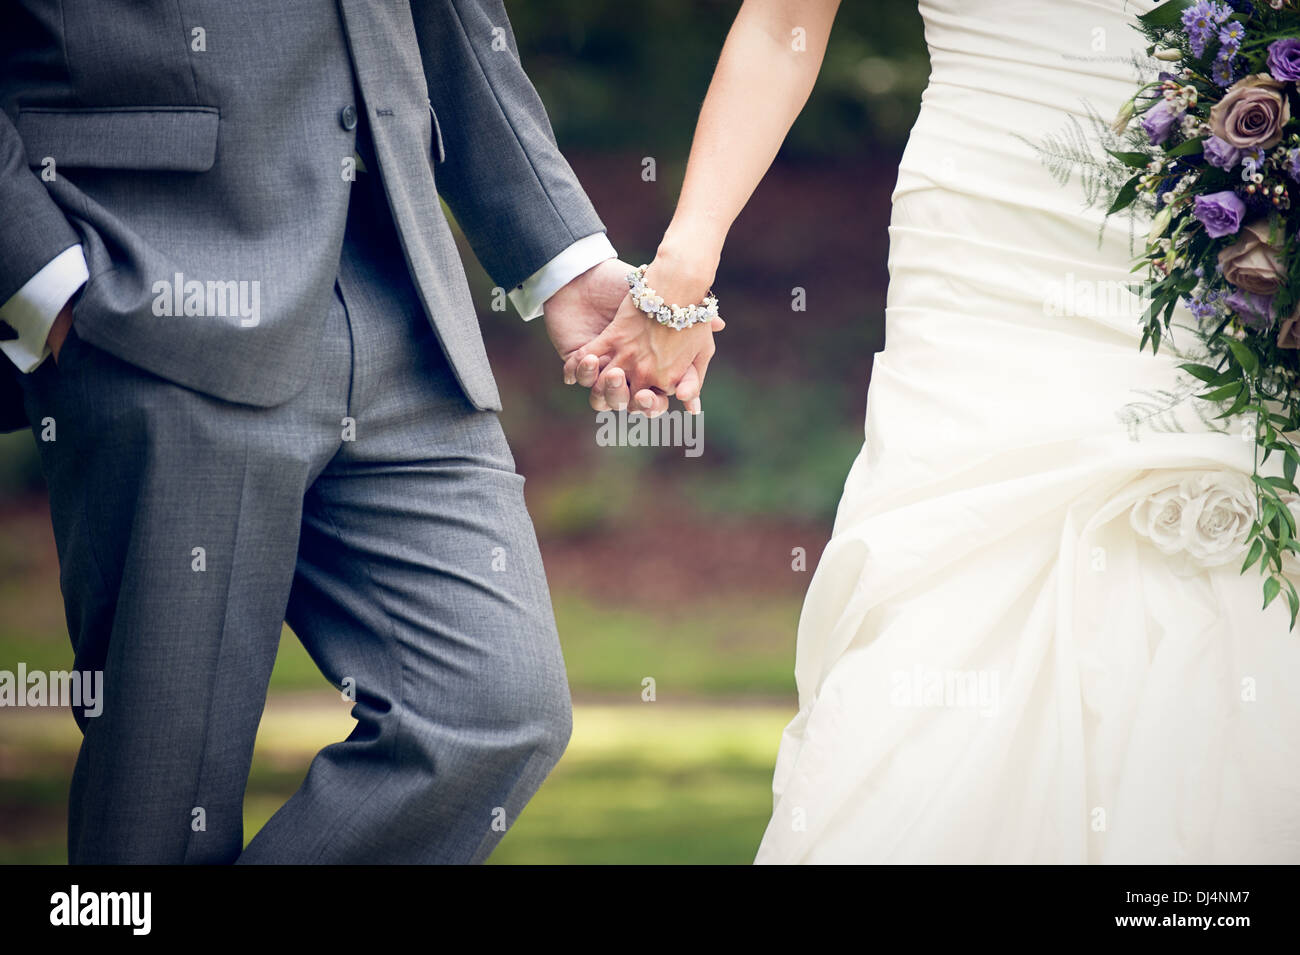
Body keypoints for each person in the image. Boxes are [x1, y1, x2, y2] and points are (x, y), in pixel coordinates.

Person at [573, 0, 1300, 863]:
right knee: (948, 596)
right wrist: (680, 273)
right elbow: (780, 25)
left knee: (1209, 601)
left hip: (1216, 247)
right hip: (985, 242)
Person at [0, 0, 718, 864]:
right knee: (159, 799)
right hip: (152, 280)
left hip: (401, 295)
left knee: (493, 709)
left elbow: (453, 21)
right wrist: (46, 281)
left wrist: (563, 261)